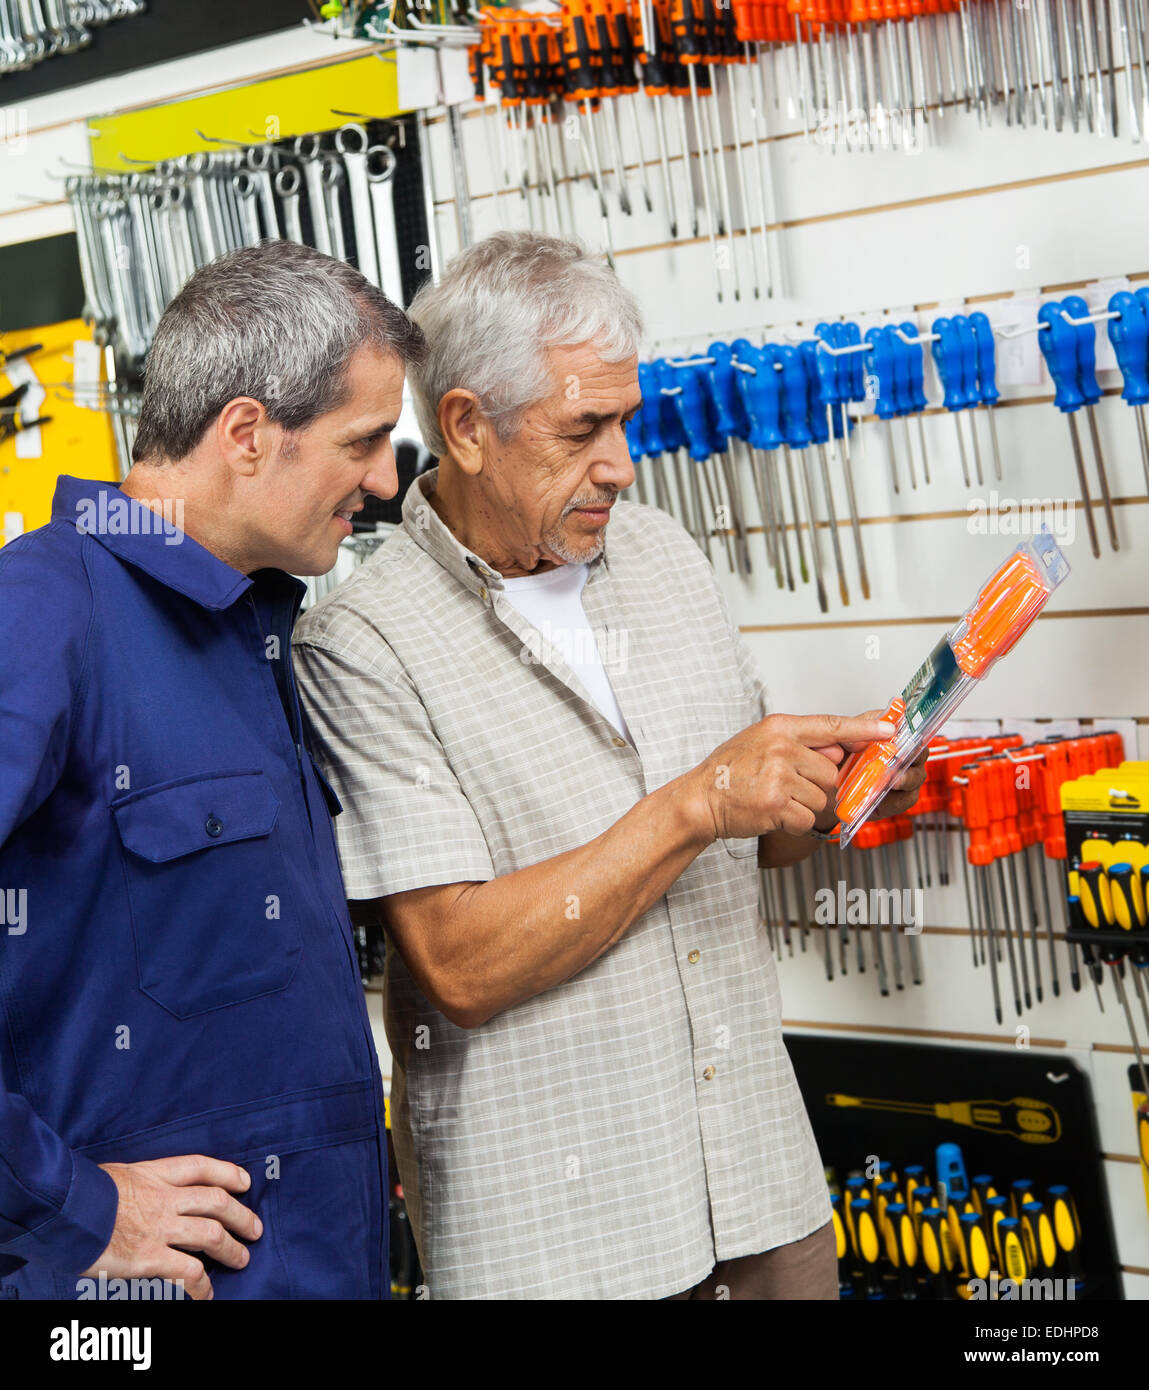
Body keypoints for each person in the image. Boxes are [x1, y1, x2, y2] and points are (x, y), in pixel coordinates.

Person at [293, 230, 926, 1300]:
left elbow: (750, 839)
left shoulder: (664, 556)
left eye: (625, 421)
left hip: (758, 1183)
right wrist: (697, 802)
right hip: (567, 1241)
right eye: (583, 428)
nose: (621, 465)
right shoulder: (363, 643)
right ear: (466, 428)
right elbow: (459, 964)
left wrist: (829, 793)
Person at [0, 240, 424, 1300]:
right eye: (363, 441)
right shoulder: (43, 614)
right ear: (245, 434)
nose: (384, 480)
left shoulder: (260, 631)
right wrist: (77, 1208)